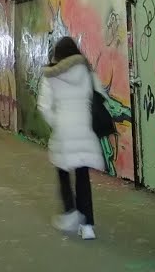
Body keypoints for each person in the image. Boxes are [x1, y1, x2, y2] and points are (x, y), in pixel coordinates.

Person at [38, 36, 107, 241]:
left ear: (57, 55)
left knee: (63, 173)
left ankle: (70, 213)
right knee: (83, 176)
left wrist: (56, 122)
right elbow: (100, 94)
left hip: (63, 131)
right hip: (84, 129)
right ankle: (88, 226)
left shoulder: (51, 76)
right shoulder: (86, 70)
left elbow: (44, 106)